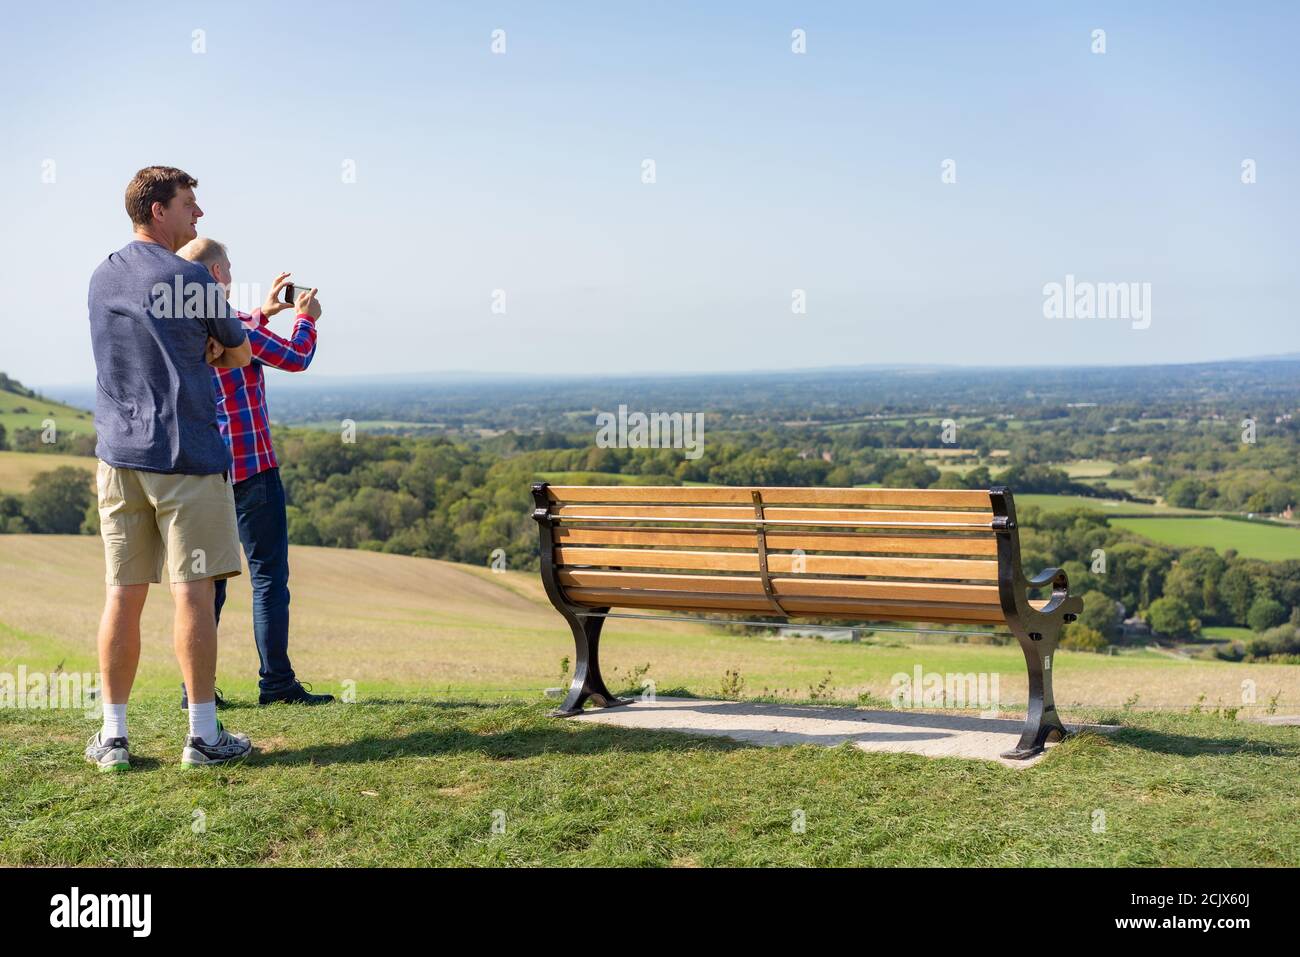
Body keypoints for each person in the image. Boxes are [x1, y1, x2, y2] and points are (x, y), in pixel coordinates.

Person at [85, 166, 256, 771]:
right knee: (194, 592)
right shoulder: (193, 277)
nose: (198, 215)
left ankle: (113, 738)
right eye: (189, 203)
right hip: (187, 456)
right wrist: (207, 346)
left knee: (123, 596)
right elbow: (238, 351)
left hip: (118, 457)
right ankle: (203, 737)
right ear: (158, 210)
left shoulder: (102, 275)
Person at [175, 237, 333, 706]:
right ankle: (277, 684)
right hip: (253, 470)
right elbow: (297, 358)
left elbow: (241, 331)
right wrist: (306, 317)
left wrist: (264, 312)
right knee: (268, 578)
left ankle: (196, 692)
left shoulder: (178, 327)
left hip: (202, 472)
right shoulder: (238, 328)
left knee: (208, 585)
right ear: (220, 274)